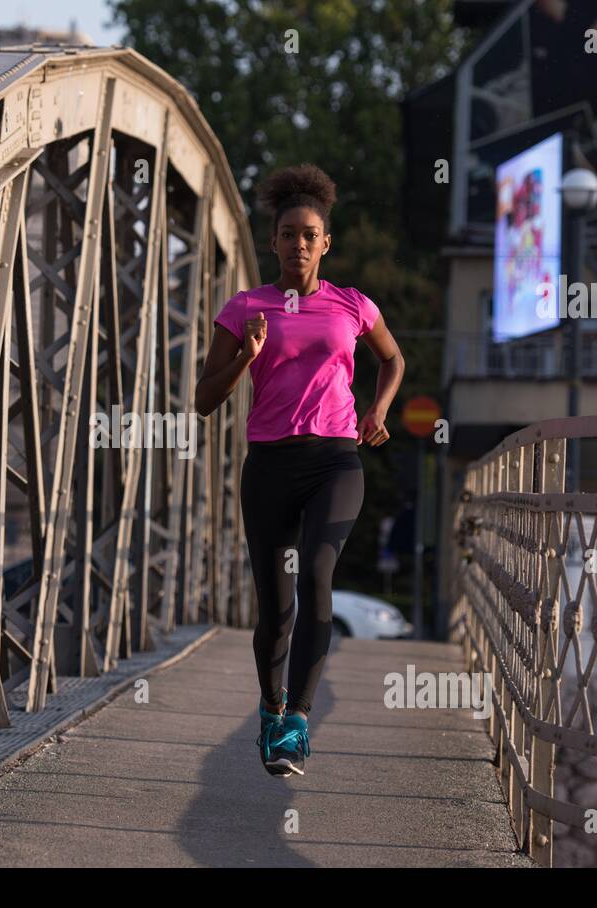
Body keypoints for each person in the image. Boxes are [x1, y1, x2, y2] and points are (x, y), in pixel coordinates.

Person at [194, 164, 404, 775]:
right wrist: (247, 358)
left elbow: (392, 360)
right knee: (276, 608)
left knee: (316, 578)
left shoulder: (352, 305)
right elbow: (205, 399)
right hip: (270, 466)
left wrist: (379, 408)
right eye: (288, 233)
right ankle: (270, 705)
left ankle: (297, 722)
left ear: (325, 243)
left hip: (336, 460)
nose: (299, 244)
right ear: (274, 241)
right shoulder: (245, 307)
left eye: (310, 234)